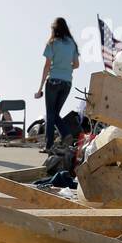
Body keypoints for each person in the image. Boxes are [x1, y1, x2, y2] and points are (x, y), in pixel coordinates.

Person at [35, 16, 80, 152]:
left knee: (50, 114)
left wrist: (40, 87)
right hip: (67, 83)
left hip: (53, 81)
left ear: (54, 29)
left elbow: (47, 66)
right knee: (54, 113)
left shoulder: (52, 43)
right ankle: (66, 135)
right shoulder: (72, 44)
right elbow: (76, 65)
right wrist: (66, 68)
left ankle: (50, 144)